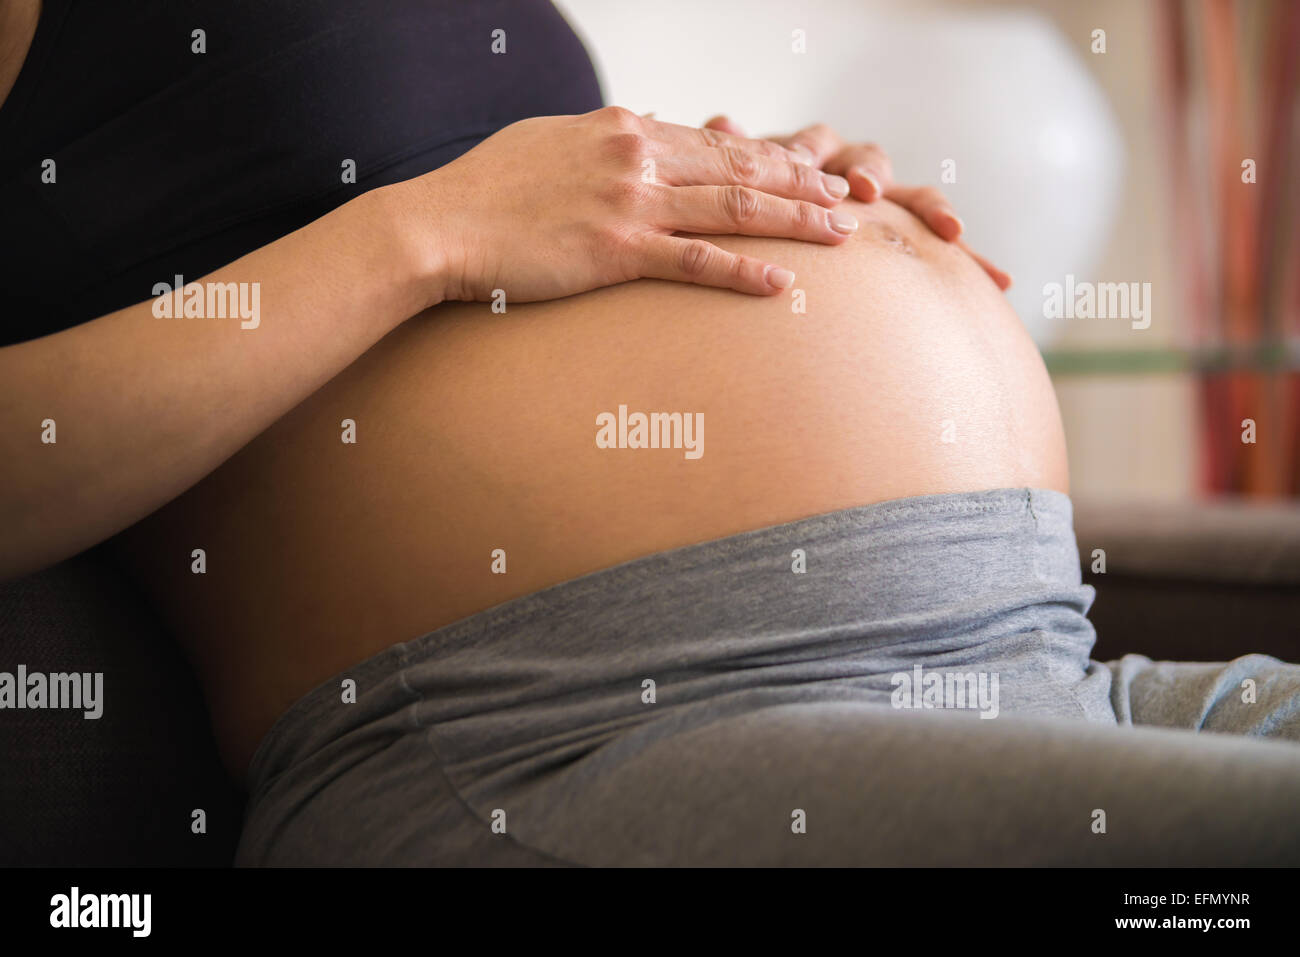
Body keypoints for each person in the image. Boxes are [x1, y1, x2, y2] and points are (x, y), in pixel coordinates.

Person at [2, 0, 1298, 866]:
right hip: (585, 727)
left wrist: (755, 183)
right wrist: (428, 232)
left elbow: (524, 206)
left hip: (1040, 659)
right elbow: (458, 218)